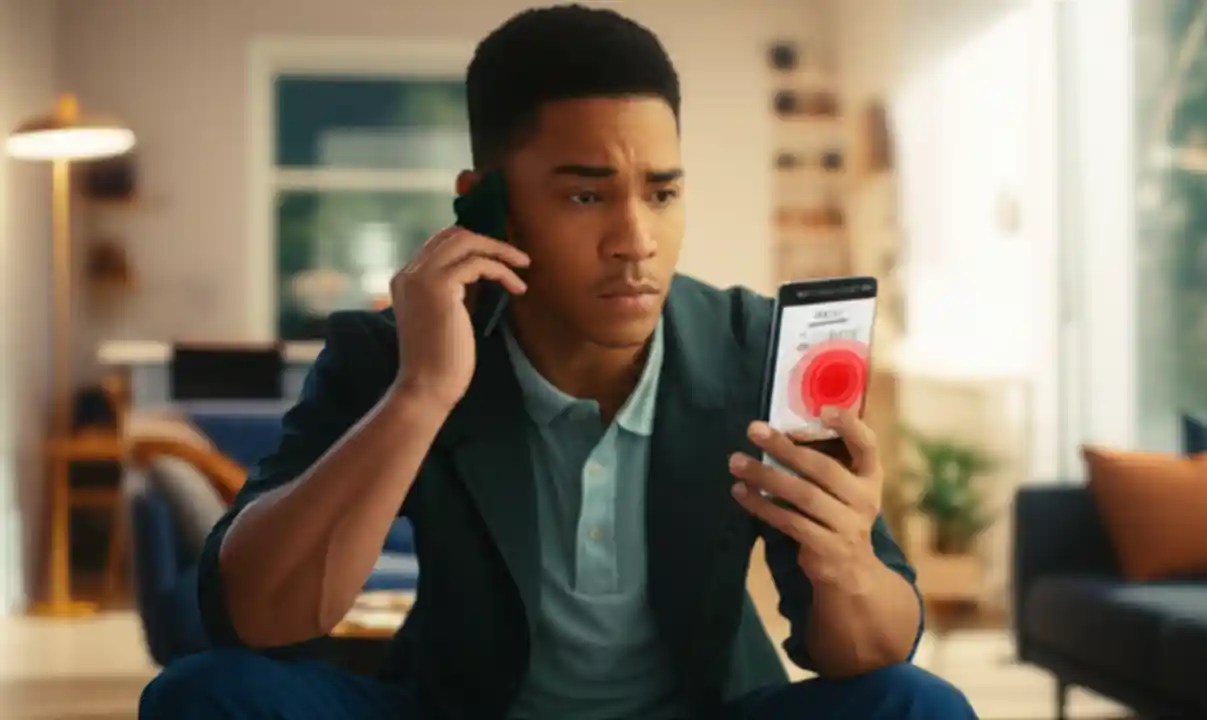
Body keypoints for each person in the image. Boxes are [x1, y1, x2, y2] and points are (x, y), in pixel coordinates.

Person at [140, 6, 975, 719]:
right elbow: (252, 619)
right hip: (463, 709)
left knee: (921, 705)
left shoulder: (754, 347)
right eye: (585, 195)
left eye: (662, 192)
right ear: (487, 202)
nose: (636, 241)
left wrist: (848, 562)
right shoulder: (395, 351)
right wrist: (421, 394)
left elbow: (876, 645)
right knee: (204, 695)